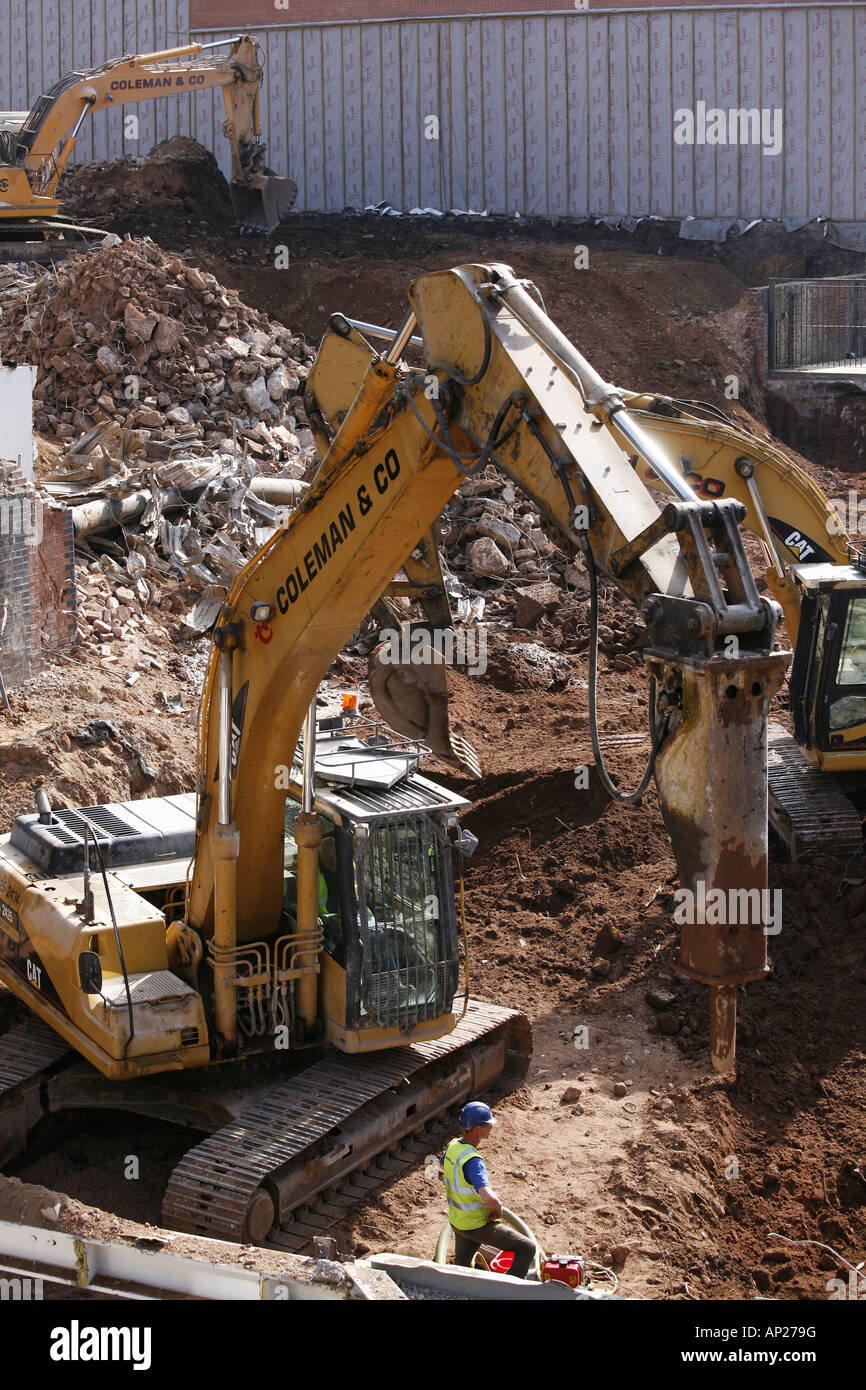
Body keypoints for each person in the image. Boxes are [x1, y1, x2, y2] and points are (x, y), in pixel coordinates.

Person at [440, 1101, 536, 1278]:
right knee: (527, 1247)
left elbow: (444, 1162)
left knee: (462, 1266)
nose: (491, 1126)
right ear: (477, 1128)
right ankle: (508, 1290)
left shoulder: (453, 1145)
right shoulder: (473, 1161)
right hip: (476, 1224)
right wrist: (496, 1209)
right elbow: (489, 1197)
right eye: (488, 1124)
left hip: (458, 1221)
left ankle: (460, 1289)